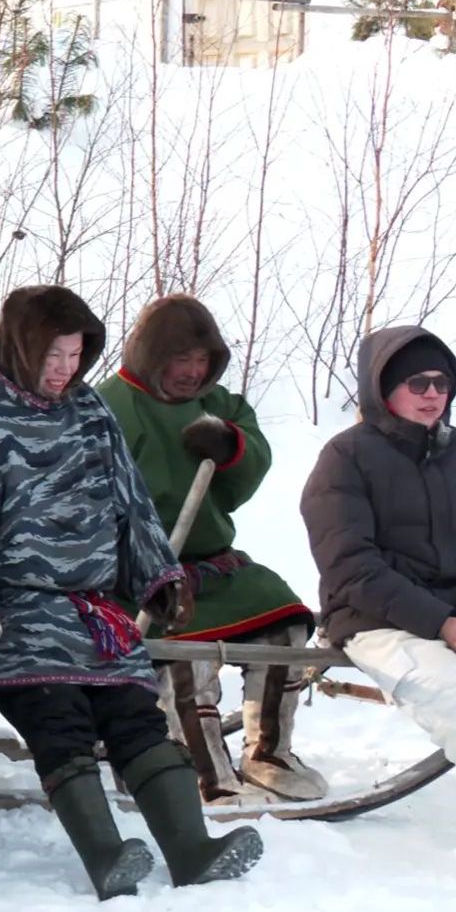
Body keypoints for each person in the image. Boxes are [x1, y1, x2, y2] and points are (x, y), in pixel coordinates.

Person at [0, 285, 261, 899]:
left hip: (92, 609)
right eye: (53, 355)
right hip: (11, 607)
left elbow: (130, 500)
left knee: (135, 714)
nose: (64, 369)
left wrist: (157, 575)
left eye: (75, 355)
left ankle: (191, 848)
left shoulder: (90, 411)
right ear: (22, 347)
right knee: (58, 714)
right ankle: (105, 856)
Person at [98, 295, 326, 802]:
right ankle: (202, 775)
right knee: (190, 650)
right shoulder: (109, 406)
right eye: (182, 359)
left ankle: (268, 754)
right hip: (141, 578)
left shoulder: (218, 404)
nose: (193, 372)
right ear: (153, 354)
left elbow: (251, 456)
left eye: (203, 360)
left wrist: (230, 444)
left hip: (215, 566)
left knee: (283, 619)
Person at [301, 326, 456, 798]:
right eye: (417, 383)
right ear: (383, 389)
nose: (432, 394)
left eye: (441, 382)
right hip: (377, 622)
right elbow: (349, 566)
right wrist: (440, 622)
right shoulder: (345, 456)